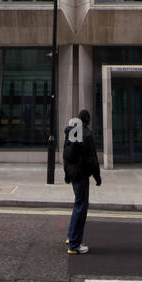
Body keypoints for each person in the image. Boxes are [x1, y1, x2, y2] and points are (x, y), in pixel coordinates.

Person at [62, 108, 102, 254]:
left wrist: (67, 175)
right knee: (81, 208)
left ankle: (71, 237)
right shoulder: (87, 135)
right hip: (81, 176)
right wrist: (97, 178)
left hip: (73, 175)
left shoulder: (70, 134)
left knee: (77, 205)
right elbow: (92, 160)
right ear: (88, 120)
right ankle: (74, 245)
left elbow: (66, 157)